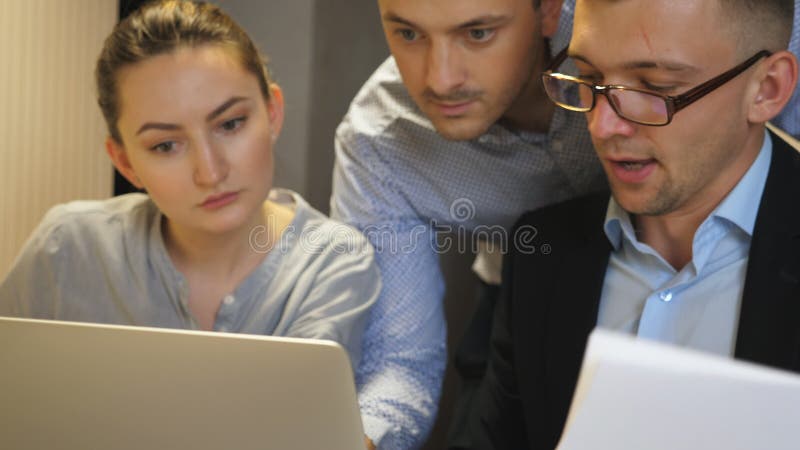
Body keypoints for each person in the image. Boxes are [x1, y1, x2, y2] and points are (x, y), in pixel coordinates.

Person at [471, 0, 799, 448]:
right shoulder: (541, 255)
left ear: (767, 88)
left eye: (655, 86)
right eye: (588, 79)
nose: (602, 125)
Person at [0, 0, 379, 375]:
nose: (210, 173)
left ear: (273, 112)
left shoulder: (332, 264)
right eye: (165, 146)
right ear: (126, 163)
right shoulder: (66, 250)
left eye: (230, 124)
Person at [331, 0, 608, 448]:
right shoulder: (378, 142)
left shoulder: (619, 33)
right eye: (408, 34)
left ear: (551, 11)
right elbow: (399, 361)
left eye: (478, 33)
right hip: (514, 305)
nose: (440, 80)